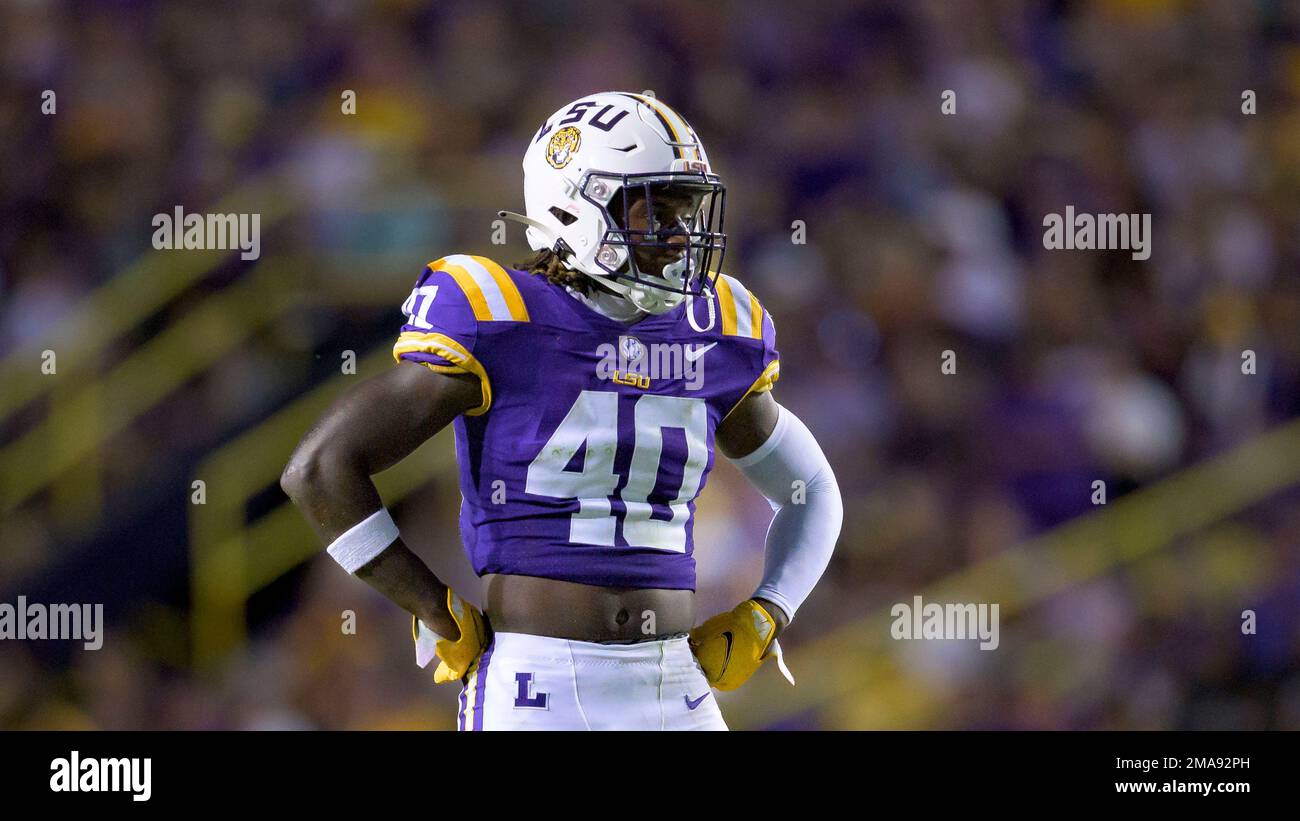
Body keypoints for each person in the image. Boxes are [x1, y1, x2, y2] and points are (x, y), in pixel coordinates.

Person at [282, 91, 843, 730]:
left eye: (686, 210)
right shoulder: (501, 317)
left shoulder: (714, 330)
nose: (682, 235)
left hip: (672, 686)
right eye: (656, 210)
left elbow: (811, 490)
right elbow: (321, 470)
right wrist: (433, 609)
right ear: (577, 206)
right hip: (535, 684)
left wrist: (768, 609)